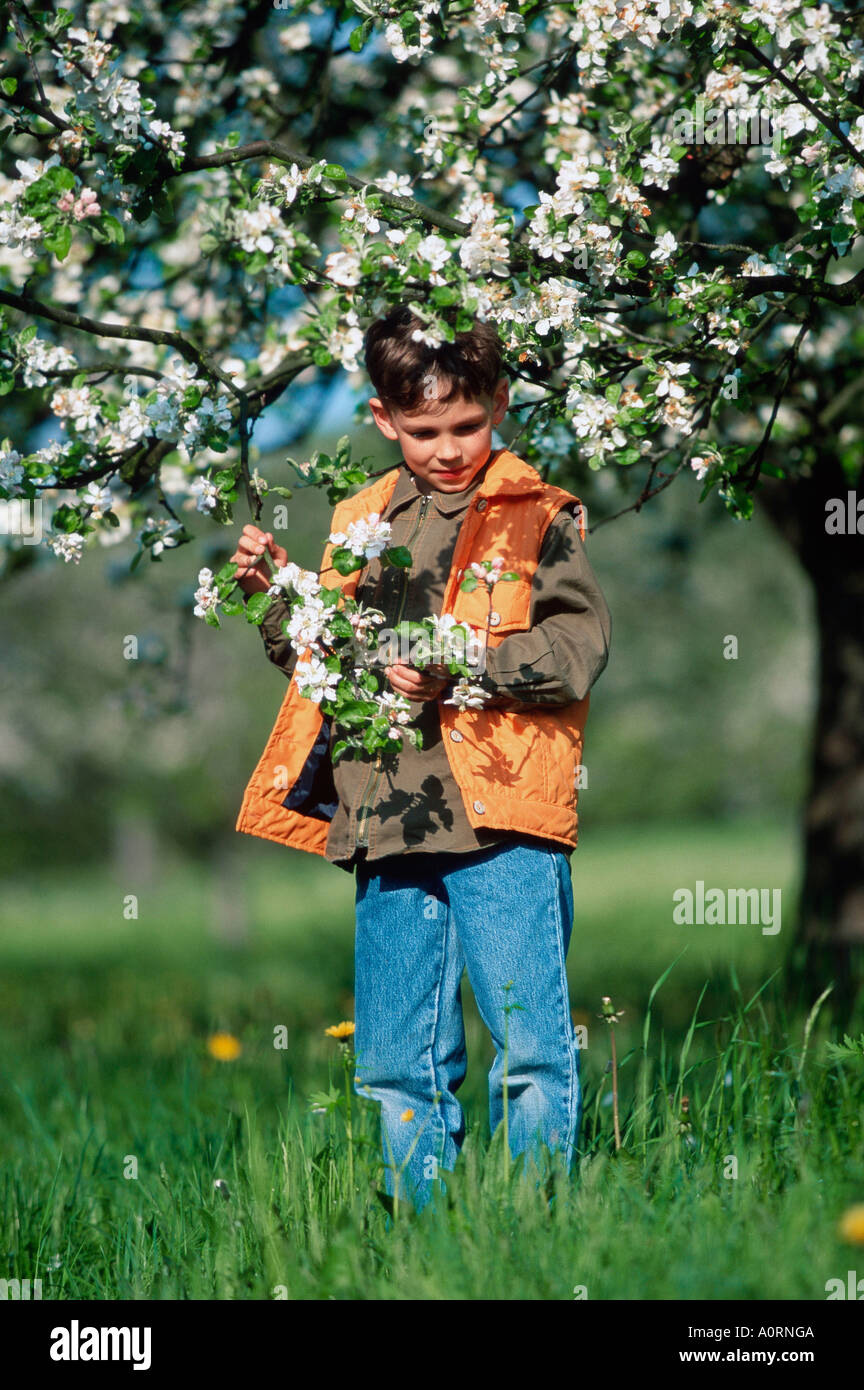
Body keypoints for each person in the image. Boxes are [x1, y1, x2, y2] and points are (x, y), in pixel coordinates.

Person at [231, 305, 612, 1212]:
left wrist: (466, 661)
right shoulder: (359, 518)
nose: (449, 448)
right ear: (383, 420)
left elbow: (577, 650)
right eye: (425, 430)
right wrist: (271, 600)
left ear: (501, 405)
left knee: (531, 1048)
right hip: (386, 817)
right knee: (397, 1061)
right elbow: (325, 661)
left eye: (469, 425)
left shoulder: (537, 513)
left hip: (502, 818)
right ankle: (421, 1232)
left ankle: (532, 1227)